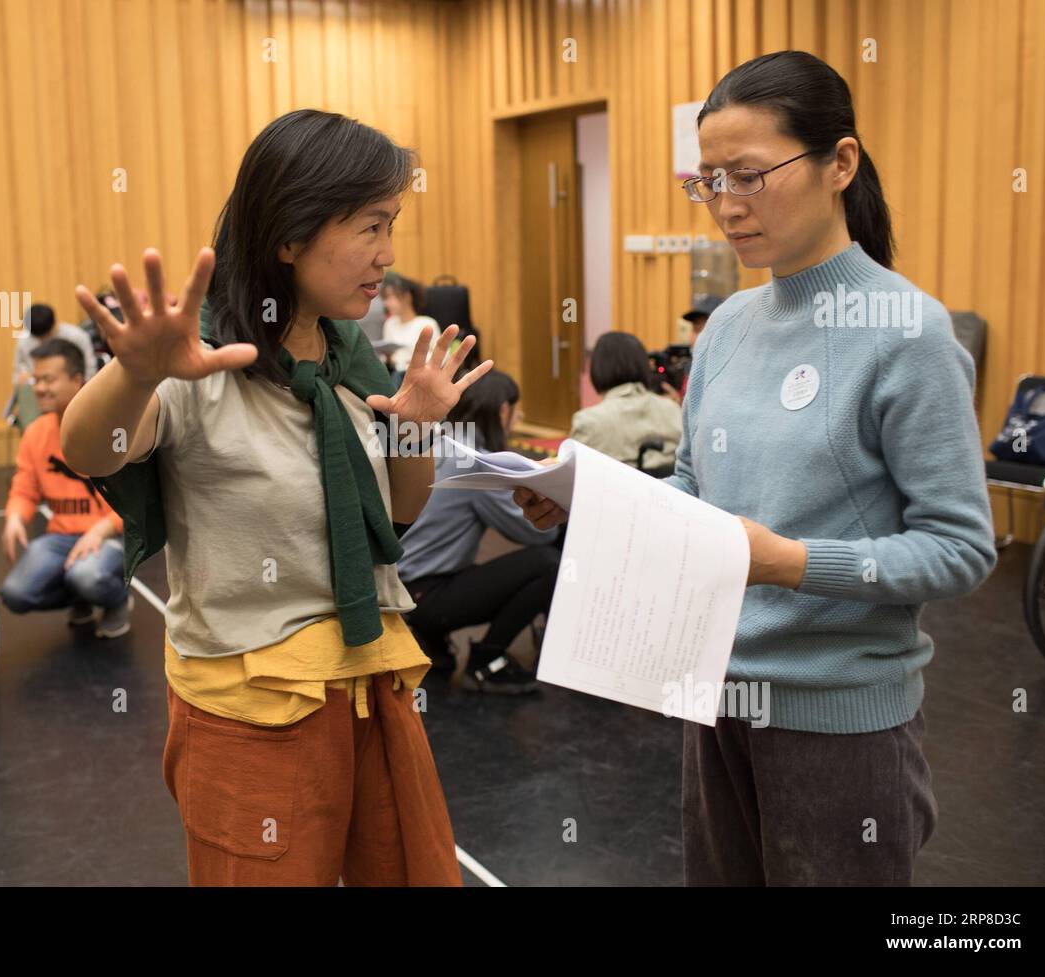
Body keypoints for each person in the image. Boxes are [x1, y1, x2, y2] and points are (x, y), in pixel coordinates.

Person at [514, 50, 996, 886]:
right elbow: (697, 492)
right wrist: (589, 504)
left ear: (839, 163)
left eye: (749, 175)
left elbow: (960, 549)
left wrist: (787, 562)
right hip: (718, 698)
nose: (726, 207)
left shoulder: (908, 337)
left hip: (840, 726)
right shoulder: (730, 326)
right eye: (707, 181)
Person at [63, 109, 493, 885]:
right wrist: (133, 373)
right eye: (368, 227)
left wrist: (418, 428)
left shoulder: (351, 354)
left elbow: (398, 514)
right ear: (290, 236)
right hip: (252, 707)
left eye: (389, 226)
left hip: (371, 682)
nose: (388, 256)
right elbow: (89, 449)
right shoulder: (199, 357)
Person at [398, 369, 560, 693]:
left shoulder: (444, 440)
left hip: (402, 586)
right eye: (519, 409)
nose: (521, 416)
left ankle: (430, 637)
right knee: (548, 563)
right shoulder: (475, 461)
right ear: (503, 410)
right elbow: (536, 533)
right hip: (427, 595)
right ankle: (486, 661)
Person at [0, 338, 133, 638]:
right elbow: (24, 488)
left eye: (48, 379)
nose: (39, 388)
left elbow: (137, 501)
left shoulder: (110, 427)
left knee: (87, 575)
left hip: (111, 535)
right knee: (15, 593)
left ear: (76, 380)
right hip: (60, 537)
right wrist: (15, 517)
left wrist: (101, 529)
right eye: (36, 379)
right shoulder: (36, 432)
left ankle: (118, 600)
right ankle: (80, 596)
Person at [571, 331, 683, 470]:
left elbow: (573, 477)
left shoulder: (588, 421)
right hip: (667, 490)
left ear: (597, 368)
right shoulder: (672, 409)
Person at [13, 302, 97, 383]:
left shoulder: (77, 337)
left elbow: (90, 371)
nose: (43, 342)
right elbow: (18, 372)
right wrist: (22, 377)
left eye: (46, 336)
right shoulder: (24, 339)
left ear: (54, 324)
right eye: (38, 339)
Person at [662, 296, 723, 404]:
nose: (691, 338)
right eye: (694, 329)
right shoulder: (689, 366)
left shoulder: (726, 373)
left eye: (700, 330)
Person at [380, 274, 439, 376]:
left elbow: (439, 357)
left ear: (407, 297)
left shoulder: (427, 323)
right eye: (385, 298)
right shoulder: (389, 324)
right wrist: (388, 359)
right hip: (395, 375)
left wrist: (413, 364)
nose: (386, 303)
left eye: (390, 297)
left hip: (420, 376)